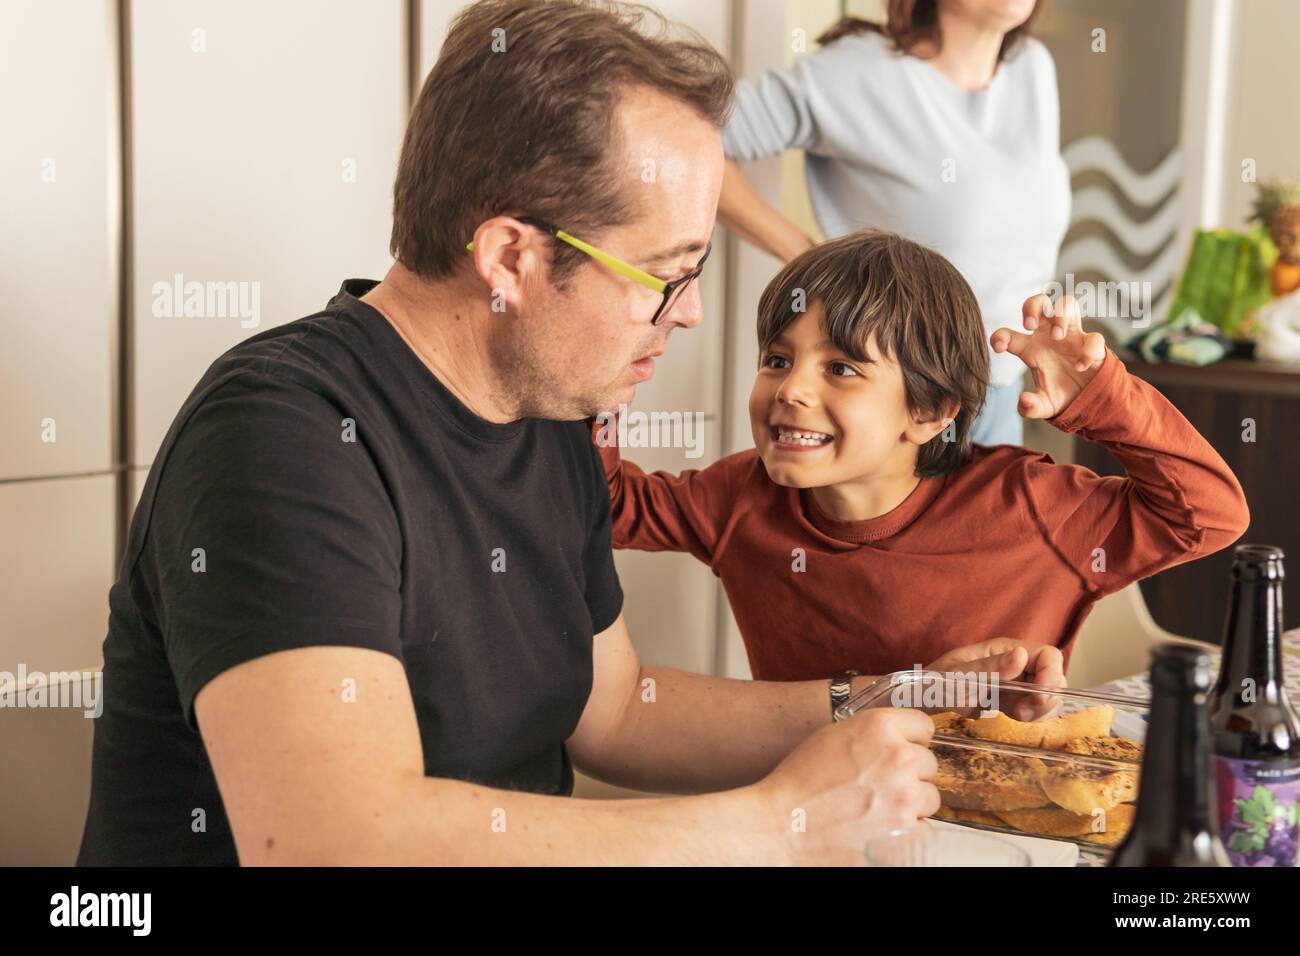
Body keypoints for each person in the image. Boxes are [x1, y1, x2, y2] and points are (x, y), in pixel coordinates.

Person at [76, 0, 1063, 867]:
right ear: (510, 256)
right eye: (666, 272)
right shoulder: (283, 433)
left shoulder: (547, 411)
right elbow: (339, 840)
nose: (690, 313)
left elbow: (616, 706)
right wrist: (774, 829)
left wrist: (908, 690)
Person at [595, 230, 1251, 681]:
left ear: (931, 412)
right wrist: (603, 371)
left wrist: (1105, 398)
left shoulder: (1029, 505)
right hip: (812, 815)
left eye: (842, 368)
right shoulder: (739, 497)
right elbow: (607, 507)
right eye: (777, 360)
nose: (790, 388)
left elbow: (1210, 514)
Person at [718, 0, 1070, 446]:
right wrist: (803, 253)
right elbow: (700, 138)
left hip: (1001, 394)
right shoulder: (856, 71)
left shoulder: (1032, 69)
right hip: (897, 394)